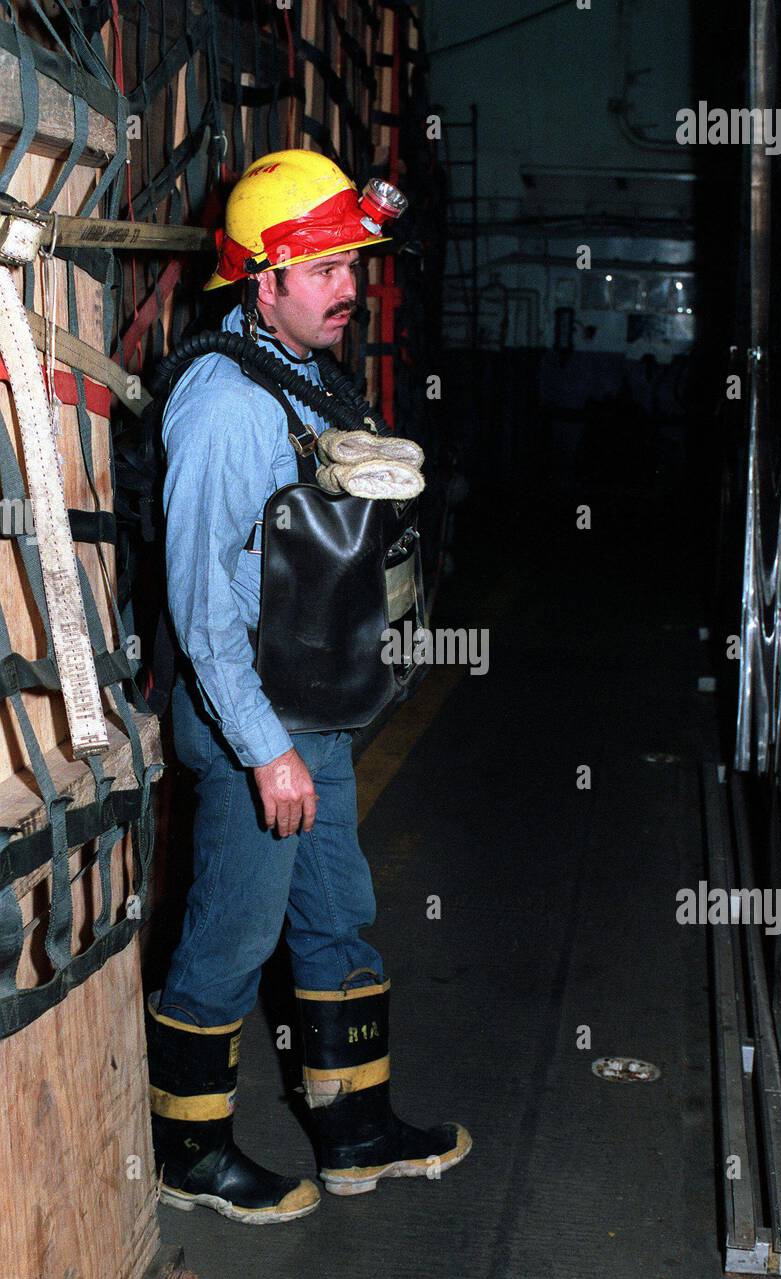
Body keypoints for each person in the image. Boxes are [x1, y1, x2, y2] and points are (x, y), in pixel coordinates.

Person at [145, 149, 472, 1224]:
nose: (350, 286)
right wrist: (267, 749)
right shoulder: (223, 406)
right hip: (250, 718)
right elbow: (202, 610)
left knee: (339, 921)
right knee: (235, 933)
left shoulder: (300, 371)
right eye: (326, 266)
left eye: (353, 263)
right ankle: (191, 1154)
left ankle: (357, 1136)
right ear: (265, 276)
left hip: (308, 704)